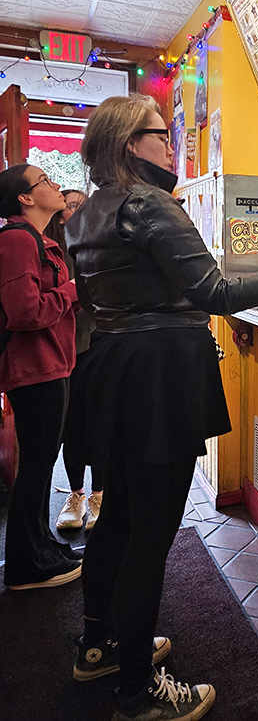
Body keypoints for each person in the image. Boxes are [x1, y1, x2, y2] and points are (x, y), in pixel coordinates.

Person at [65, 94, 258, 721]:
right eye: (161, 135)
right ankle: (137, 689)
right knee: (150, 534)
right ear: (132, 142)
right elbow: (214, 291)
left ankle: (99, 644)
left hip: (113, 366)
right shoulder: (149, 203)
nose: (169, 146)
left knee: (118, 518)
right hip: (161, 374)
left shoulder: (85, 213)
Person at [0, 164, 81, 590]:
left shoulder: (41, 241)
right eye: (44, 180)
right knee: (35, 465)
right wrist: (74, 290)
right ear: (25, 198)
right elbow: (25, 312)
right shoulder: (16, 239)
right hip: (34, 368)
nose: (54, 184)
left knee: (42, 462)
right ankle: (25, 567)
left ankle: (40, 547)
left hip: (52, 363)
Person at [45, 190, 101, 532]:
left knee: (106, 422)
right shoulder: (50, 247)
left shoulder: (100, 242)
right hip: (67, 348)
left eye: (83, 204)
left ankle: (99, 494)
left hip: (103, 341)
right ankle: (76, 495)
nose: (78, 210)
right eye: (72, 204)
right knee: (75, 425)